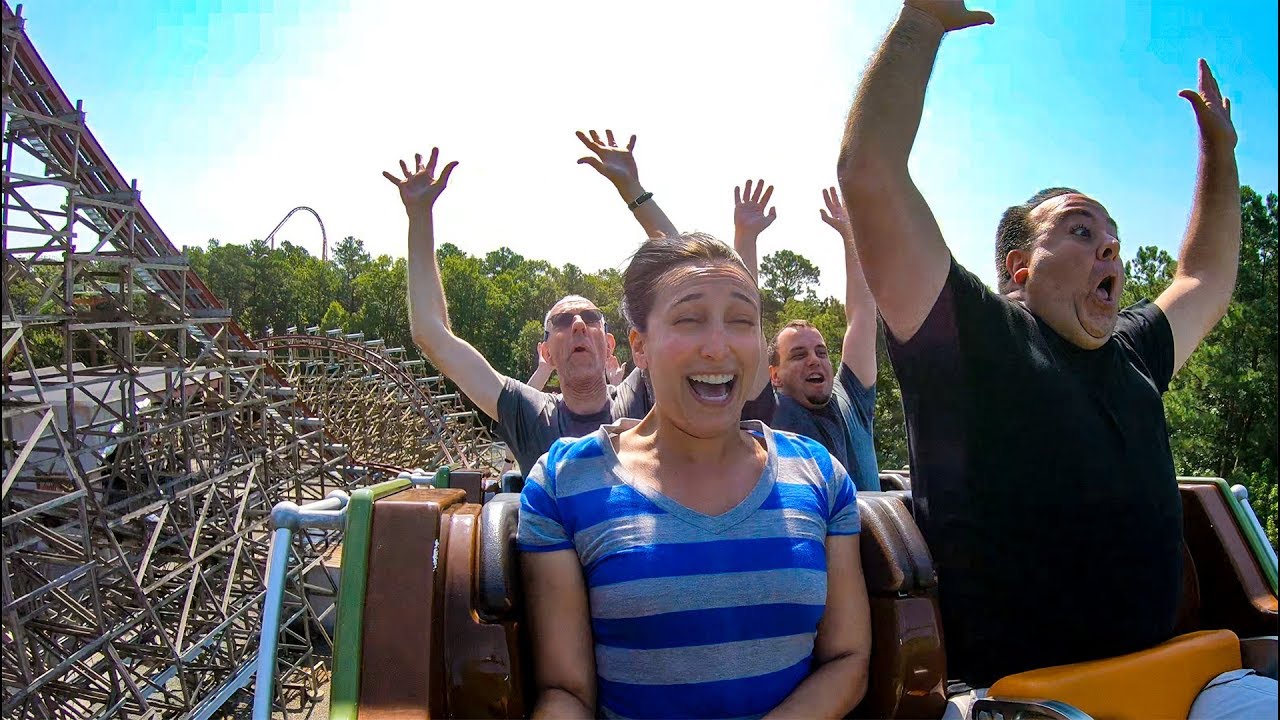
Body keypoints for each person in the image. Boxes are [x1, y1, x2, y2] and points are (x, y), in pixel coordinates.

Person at [837, 1, 1276, 717]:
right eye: (1079, 230)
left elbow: (1205, 278)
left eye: (1112, 235)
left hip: (1183, 681)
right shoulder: (971, 339)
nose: (1110, 247)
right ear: (1018, 267)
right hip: (1027, 702)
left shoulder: (1132, 349)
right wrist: (920, 20)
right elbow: (871, 173)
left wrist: (1219, 153)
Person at [518, 232, 871, 719]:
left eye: (742, 321)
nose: (718, 346)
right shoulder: (564, 482)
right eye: (689, 319)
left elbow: (848, 658)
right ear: (639, 346)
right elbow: (566, 692)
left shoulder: (820, 475)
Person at [388, 131, 768, 476]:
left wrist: (632, 190)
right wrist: (419, 216)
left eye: (590, 317)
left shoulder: (642, 393)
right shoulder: (528, 414)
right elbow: (432, 336)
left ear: (612, 345)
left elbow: (691, 277)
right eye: (563, 321)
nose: (579, 326)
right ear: (546, 352)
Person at [733, 179, 882, 491]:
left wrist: (850, 235)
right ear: (774, 375)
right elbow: (745, 324)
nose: (815, 360)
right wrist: (746, 238)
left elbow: (862, 315)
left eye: (821, 352)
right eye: (798, 355)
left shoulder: (851, 399)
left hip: (874, 537)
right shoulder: (768, 410)